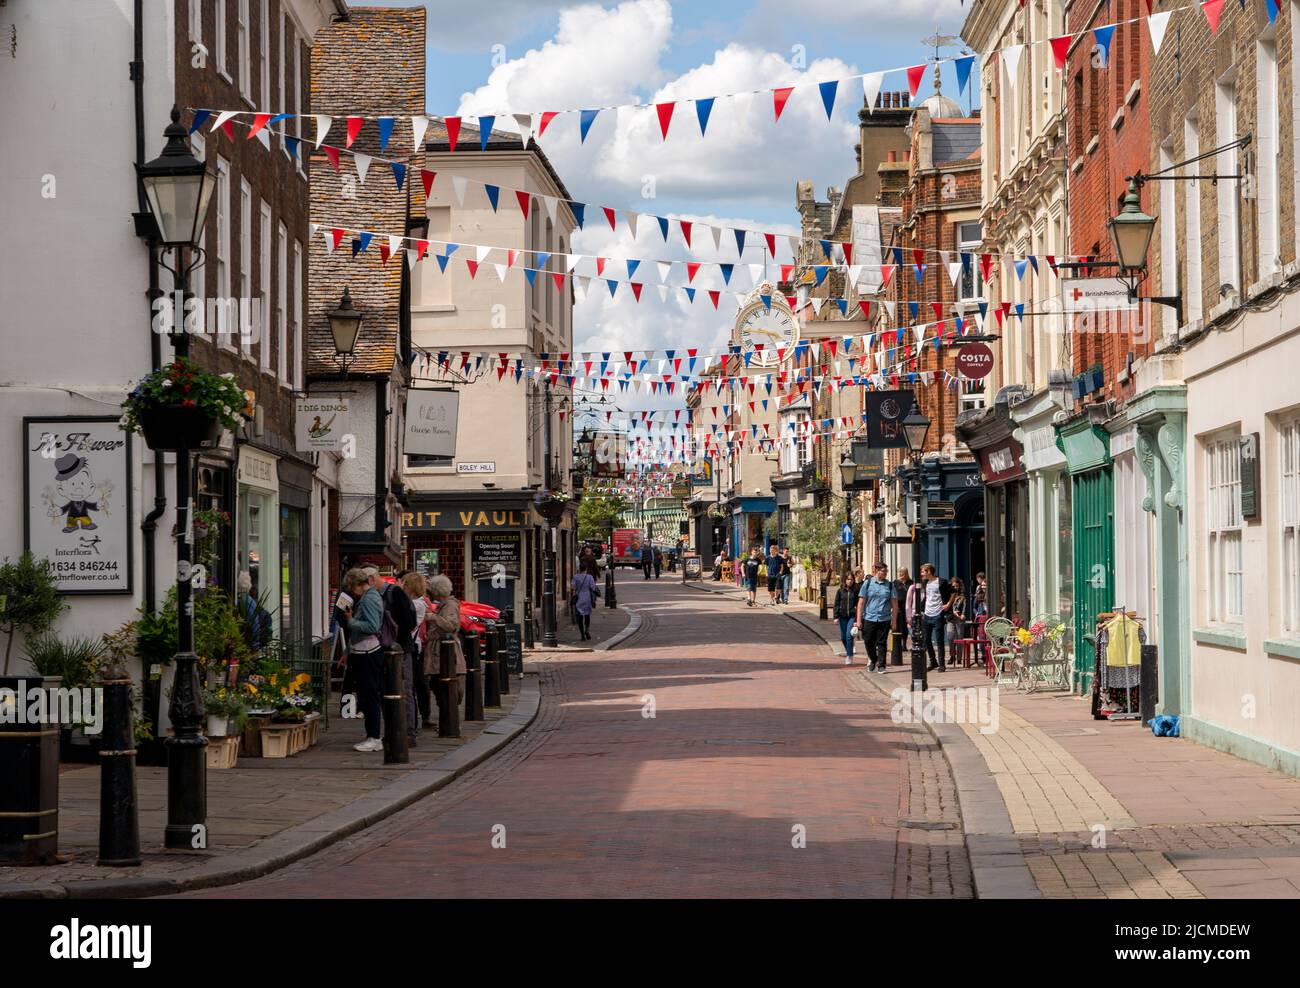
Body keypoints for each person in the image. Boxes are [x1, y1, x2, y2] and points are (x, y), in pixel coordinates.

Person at [343, 568, 385, 752]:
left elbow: (372, 625)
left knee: (369, 696)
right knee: (368, 695)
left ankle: (374, 737)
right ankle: (372, 735)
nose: (353, 592)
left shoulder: (368, 599)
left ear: (358, 584)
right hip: (365, 651)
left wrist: (351, 620)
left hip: (367, 653)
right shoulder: (371, 596)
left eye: (353, 588)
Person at [383, 570, 419, 747]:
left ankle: (407, 733)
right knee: (402, 691)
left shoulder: (400, 598)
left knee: (404, 690)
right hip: (403, 648)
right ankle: (405, 731)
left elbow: (407, 624)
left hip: (402, 649)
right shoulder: (403, 599)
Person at [422, 574, 465, 714]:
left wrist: (434, 617)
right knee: (439, 686)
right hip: (438, 652)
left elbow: (451, 625)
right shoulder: (444, 605)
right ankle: (446, 719)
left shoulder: (450, 606)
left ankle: (449, 721)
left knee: (444, 687)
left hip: (444, 652)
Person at [403, 572, 433, 732]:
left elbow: (405, 623)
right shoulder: (416, 603)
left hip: (413, 646)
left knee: (411, 687)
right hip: (414, 645)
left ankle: (411, 726)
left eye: (406, 584)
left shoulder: (417, 604)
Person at [856, 562, 898, 673]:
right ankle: (873, 659)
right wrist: (859, 620)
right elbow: (861, 603)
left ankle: (881, 665)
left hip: (884, 618)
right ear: (877, 571)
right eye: (883, 571)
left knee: (882, 642)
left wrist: (894, 622)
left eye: (886, 571)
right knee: (868, 641)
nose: (885, 573)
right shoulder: (868, 583)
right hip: (869, 618)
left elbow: (894, 605)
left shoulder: (890, 585)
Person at [917, 563, 954, 672]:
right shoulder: (925, 582)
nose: (921, 574)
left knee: (939, 640)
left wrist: (948, 605)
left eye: (923, 571)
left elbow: (954, 592)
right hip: (927, 614)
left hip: (938, 614)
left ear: (929, 571)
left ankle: (942, 664)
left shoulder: (941, 581)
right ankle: (933, 661)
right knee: (926, 640)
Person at [832, 571, 862, 665]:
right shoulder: (840, 591)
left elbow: (859, 605)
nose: (850, 581)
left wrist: (857, 619)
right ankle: (850, 648)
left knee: (849, 636)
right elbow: (836, 604)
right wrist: (836, 616)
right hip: (842, 616)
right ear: (845, 580)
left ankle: (849, 656)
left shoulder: (856, 590)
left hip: (852, 616)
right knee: (843, 638)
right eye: (848, 579)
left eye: (851, 579)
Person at [891, 567, 912, 668]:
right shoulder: (895, 583)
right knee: (898, 625)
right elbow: (893, 595)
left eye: (902, 573)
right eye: (899, 572)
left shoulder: (910, 582)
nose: (901, 575)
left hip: (907, 607)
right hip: (898, 606)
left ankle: (904, 643)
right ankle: (898, 645)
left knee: (905, 626)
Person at [571, 567, 597, 640]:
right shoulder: (590, 577)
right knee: (587, 615)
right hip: (587, 598)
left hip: (579, 598)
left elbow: (573, 587)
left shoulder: (575, 577)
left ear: (579, 569)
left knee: (579, 616)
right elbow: (593, 587)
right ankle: (587, 630)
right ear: (586, 569)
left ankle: (582, 635)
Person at [946, 577, 968, 659]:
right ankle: (952, 655)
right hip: (950, 618)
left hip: (959, 619)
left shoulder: (962, 597)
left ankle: (959, 657)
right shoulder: (948, 596)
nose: (955, 588)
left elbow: (964, 608)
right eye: (954, 586)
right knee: (950, 635)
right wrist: (952, 612)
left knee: (959, 637)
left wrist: (963, 614)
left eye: (957, 586)